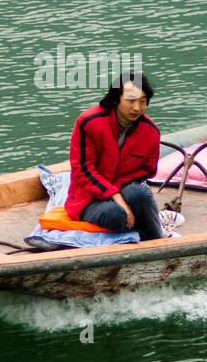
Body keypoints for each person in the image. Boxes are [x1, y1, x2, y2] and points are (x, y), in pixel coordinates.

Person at [66, 72, 166, 240]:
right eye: (131, 100)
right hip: (88, 198)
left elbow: (148, 170)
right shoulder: (89, 122)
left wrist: (118, 189)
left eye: (142, 102)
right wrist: (114, 195)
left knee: (140, 193)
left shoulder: (151, 131)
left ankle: (157, 240)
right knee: (116, 215)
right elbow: (83, 169)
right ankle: (141, 234)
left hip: (123, 188)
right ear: (116, 99)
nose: (137, 108)